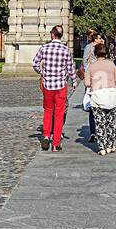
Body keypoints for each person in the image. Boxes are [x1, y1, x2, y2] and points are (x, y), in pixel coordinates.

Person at [33, 24, 74, 152]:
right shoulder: (65, 50)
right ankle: (56, 143)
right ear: (61, 36)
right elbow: (71, 68)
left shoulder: (44, 48)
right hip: (60, 85)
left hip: (48, 85)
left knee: (48, 111)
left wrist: (42, 72)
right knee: (59, 114)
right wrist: (74, 81)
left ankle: (46, 136)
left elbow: (35, 63)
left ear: (52, 34)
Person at [85, 38, 116, 154]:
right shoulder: (111, 64)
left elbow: (87, 83)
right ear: (106, 53)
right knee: (110, 123)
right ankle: (110, 145)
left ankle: (102, 148)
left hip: (97, 96)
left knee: (99, 123)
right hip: (111, 95)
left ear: (96, 54)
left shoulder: (91, 66)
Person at [78, 30, 99, 140]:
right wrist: (87, 71)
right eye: (99, 38)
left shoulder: (101, 47)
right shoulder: (89, 47)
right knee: (89, 90)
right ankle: (88, 104)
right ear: (95, 39)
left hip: (99, 72)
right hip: (91, 71)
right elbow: (85, 59)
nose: (101, 40)